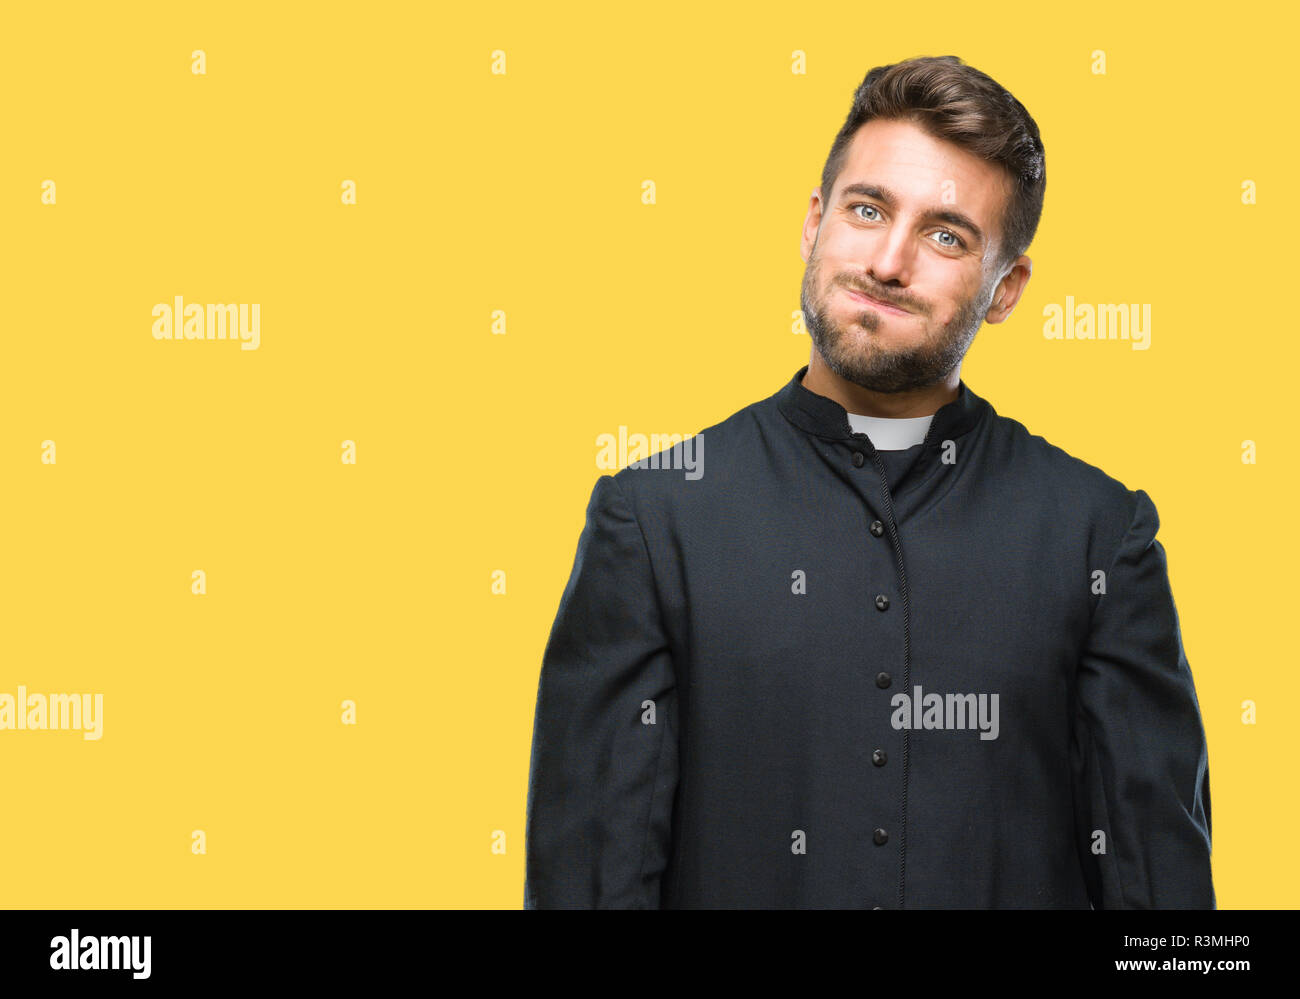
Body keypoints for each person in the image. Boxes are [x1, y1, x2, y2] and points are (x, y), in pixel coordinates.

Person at [523, 54, 1214, 909]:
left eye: (946, 234)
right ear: (814, 224)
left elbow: (1168, 912)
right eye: (867, 208)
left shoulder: (1099, 535)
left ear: (1007, 289)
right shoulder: (653, 519)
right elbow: (587, 884)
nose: (889, 261)